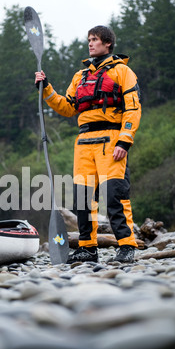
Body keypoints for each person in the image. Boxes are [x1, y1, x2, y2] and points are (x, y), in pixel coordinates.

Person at [35, 25, 141, 264]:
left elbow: (133, 109)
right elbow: (67, 107)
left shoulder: (123, 72)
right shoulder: (79, 77)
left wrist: (125, 140)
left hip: (112, 140)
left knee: (115, 195)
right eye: (89, 40)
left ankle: (126, 245)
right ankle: (87, 248)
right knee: (82, 200)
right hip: (84, 143)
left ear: (108, 44)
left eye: (95, 40)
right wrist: (47, 89)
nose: (90, 43)